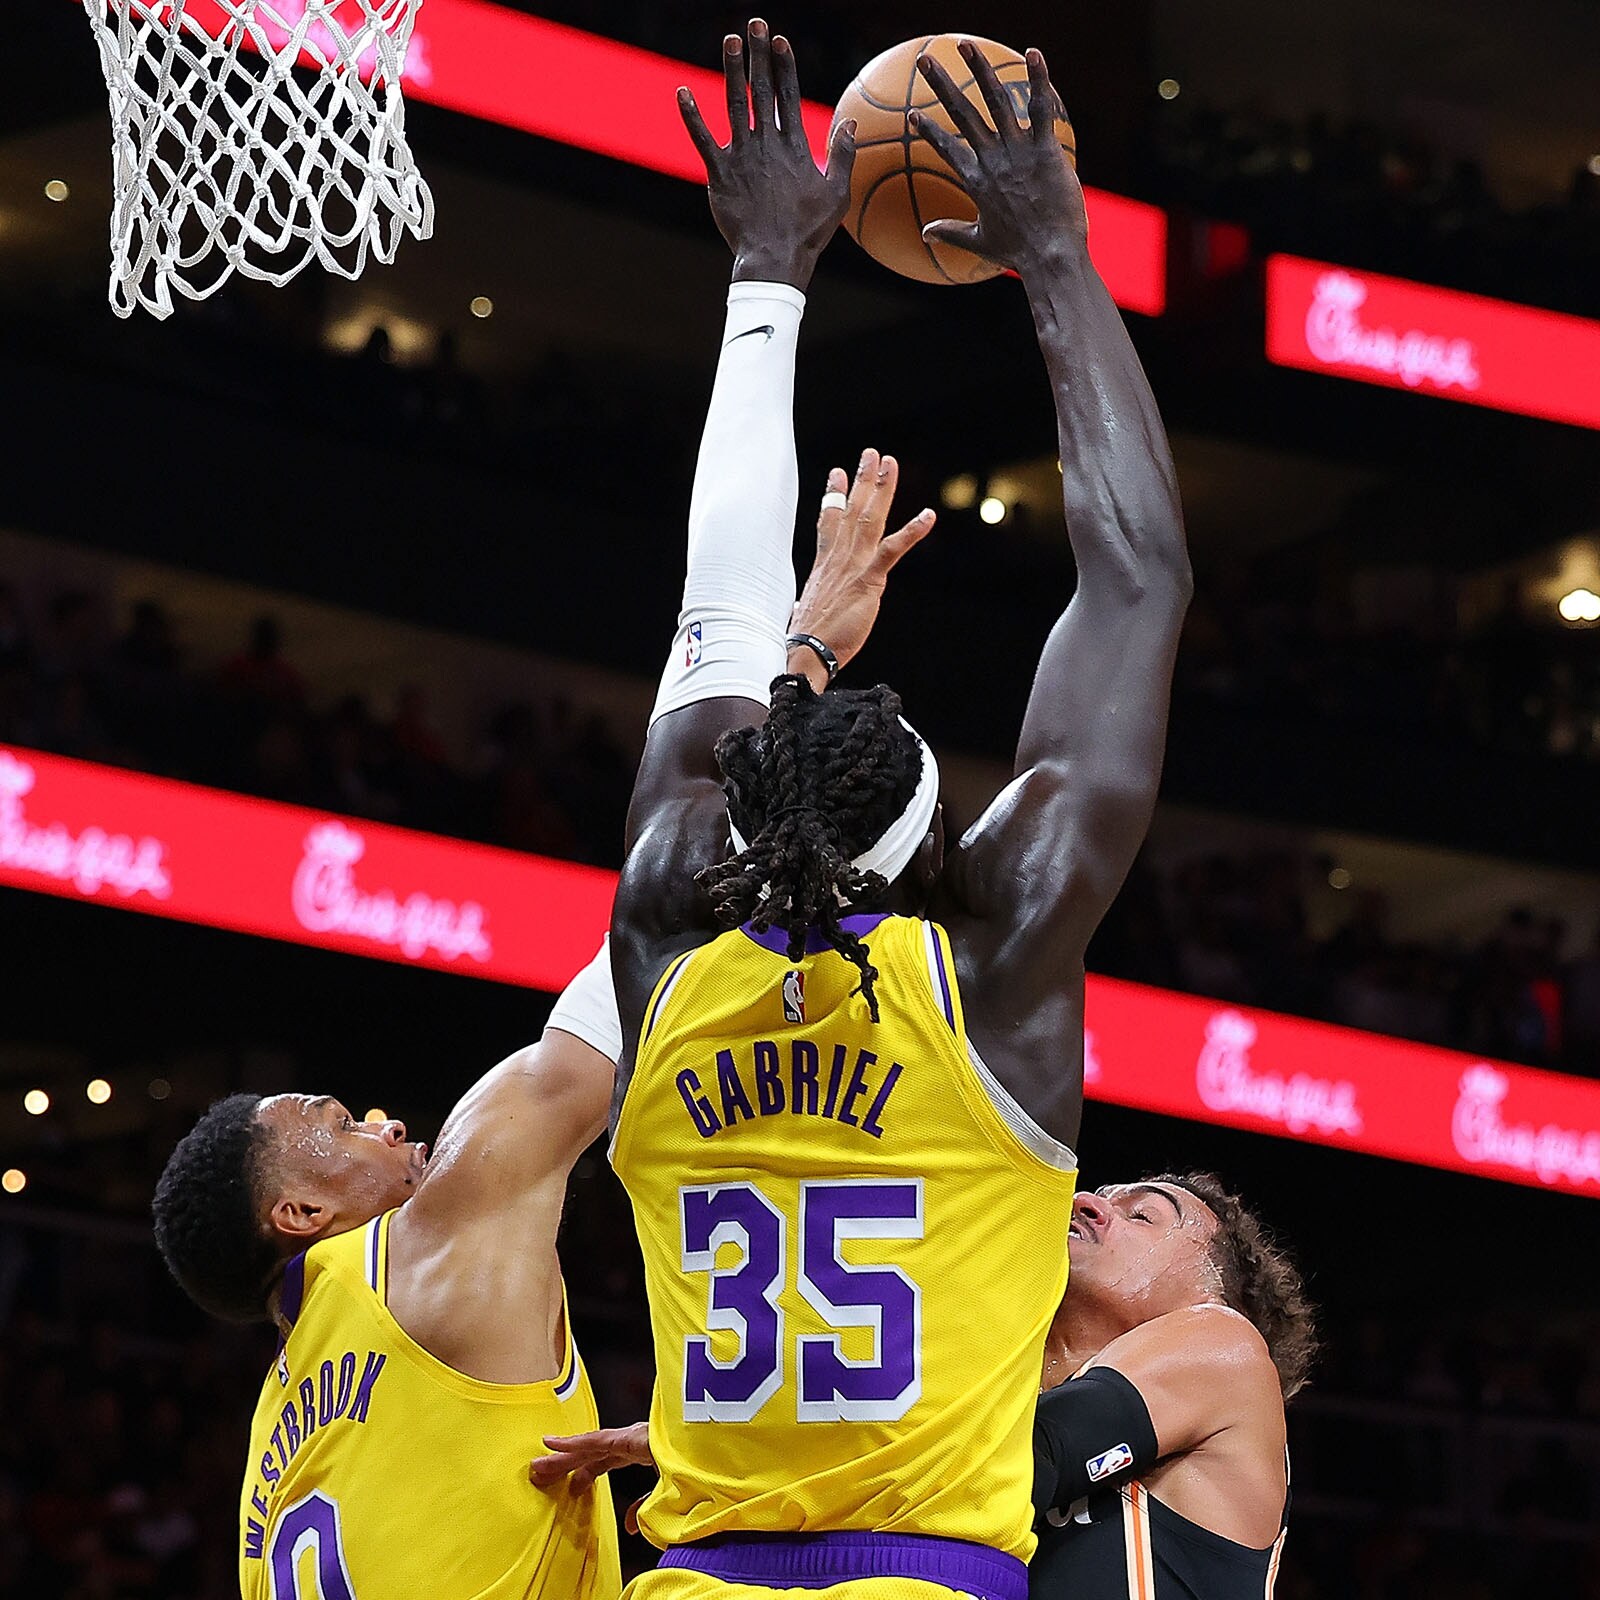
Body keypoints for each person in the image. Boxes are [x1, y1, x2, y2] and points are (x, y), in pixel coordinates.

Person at [146, 20, 902, 1591]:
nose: (384, 1116)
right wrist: (808, 647)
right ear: (298, 1215)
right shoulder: (437, 1230)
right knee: (677, 813)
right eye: (336, 1129)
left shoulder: (279, 1447)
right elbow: (670, 899)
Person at [605, 29, 1190, 1599]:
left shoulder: (664, 939)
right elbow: (1137, 581)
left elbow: (710, 633)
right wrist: (1055, 257)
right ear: (942, 842)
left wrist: (767, 276)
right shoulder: (988, 978)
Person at [534, 1173, 1316, 1600]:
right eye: (1104, 1193)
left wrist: (757, 1443)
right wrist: (723, 1443)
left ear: (1211, 1291)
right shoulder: (984, 1390)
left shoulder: (1224, 1346)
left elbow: (1015, 1459)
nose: (1087, 1202)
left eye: (1145, 1215)